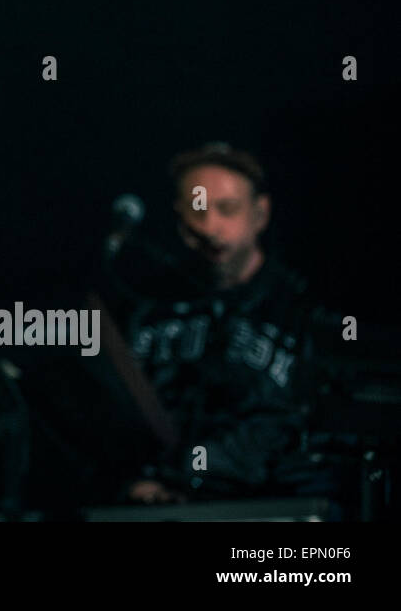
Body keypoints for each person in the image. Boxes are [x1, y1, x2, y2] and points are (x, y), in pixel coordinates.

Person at [103, 143, 319, 505]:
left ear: (260, 214)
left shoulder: (301, 311)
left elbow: (289, 424)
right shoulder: (150, 309)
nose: (211, 226)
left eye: (228, 209)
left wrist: (190, 474)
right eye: (198, 210)